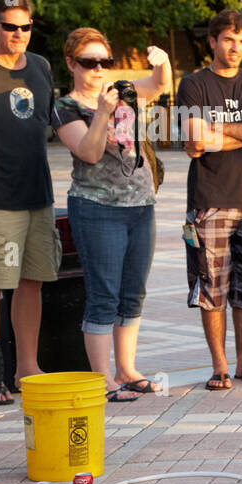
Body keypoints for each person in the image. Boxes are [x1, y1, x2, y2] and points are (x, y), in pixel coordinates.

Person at [51, 28, 171, 403]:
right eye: (89, 62)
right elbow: (87, 152)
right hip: (97, 208)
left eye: (105, 61)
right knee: (104, 294)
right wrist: (102, 112)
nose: (98, 69)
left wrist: (163, 63)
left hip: (140, 205)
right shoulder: (66, 107)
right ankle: (101, 378)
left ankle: (126, 369)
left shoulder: (122, 89)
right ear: (71, 63)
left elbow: (157, 85)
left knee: (132, 292)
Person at [0, 0, 58, 405]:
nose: (18, 34)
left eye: (26, 27)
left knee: (31, 282)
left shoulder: (40, 67)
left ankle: (27, 369)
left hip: (37, 196)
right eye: (10, 26)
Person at [179, 9, 242, 390]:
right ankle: (220, 364)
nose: (235, 48)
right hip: (210, 199)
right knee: (213, 284)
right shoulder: (194, 84)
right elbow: (196, 142)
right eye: (228, 40)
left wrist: (216, 128)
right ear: (212, 41)